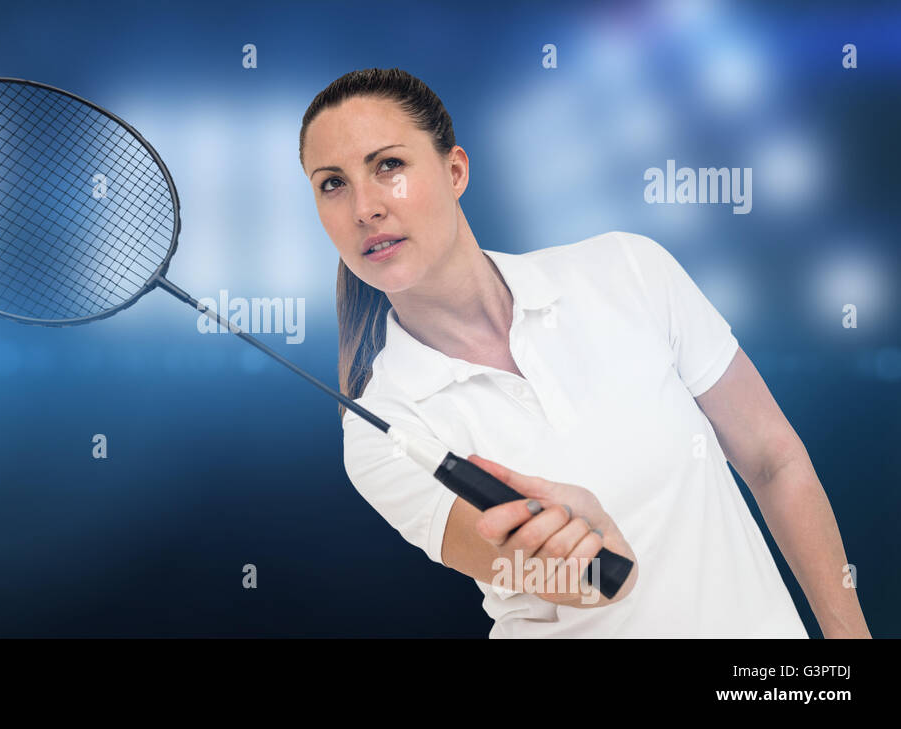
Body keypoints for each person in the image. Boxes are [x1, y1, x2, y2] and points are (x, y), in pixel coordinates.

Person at [298, 67, 871, 638]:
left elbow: (774, 460)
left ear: (455, 171)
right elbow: (575, 581)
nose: (364, 207)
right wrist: (594, 552)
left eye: (389, 166)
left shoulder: (628, 269)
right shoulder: (380, 430)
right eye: (332, 183)